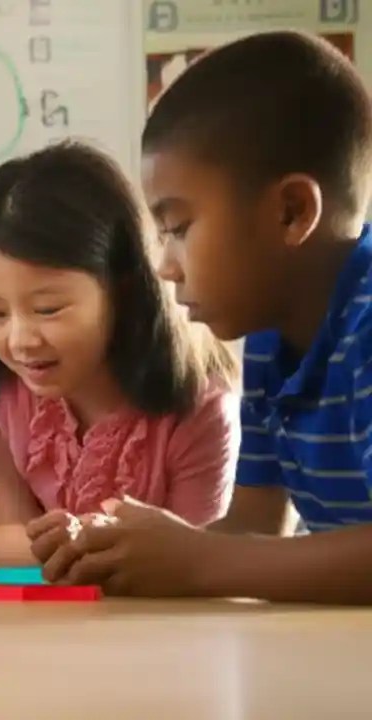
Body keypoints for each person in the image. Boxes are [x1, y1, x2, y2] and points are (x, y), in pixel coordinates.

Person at [34, 32, 372, 603]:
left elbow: (231, 559)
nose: (165, 266)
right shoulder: (271, 337)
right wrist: (128, 554)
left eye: (178, 227)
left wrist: (201, 562)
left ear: (291, 213)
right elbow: (255, 525)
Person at [0, 141, 240, 570]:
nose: (20, 340)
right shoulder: (5, 389)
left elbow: (193, 570)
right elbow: (1, 554)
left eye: (48, 309)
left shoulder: (199, 411)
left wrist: (45, 547)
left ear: (122, 288)